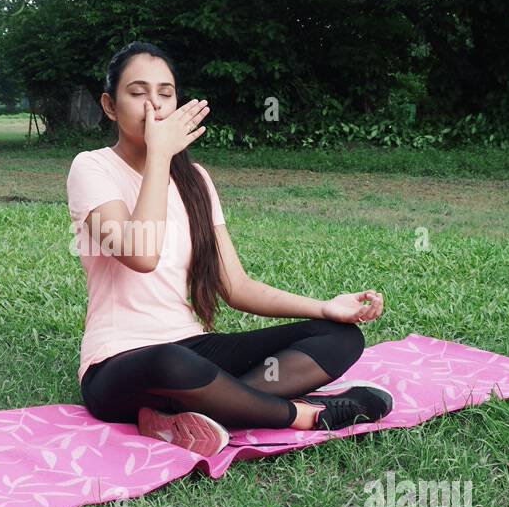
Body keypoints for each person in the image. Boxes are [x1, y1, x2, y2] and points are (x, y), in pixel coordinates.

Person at [66, 41, 391, 457]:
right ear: (110, 106)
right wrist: (161, 153)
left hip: (193, 349)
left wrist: (325, 307)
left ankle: (200, 411)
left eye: (165, 93)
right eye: (138, 92)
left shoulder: (195, 179)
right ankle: (303, 414)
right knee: (173, 363)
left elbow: (236, 286)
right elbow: (141, 254)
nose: (155, 106)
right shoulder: (91, 167)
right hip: (120, 365)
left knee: (339, 338)